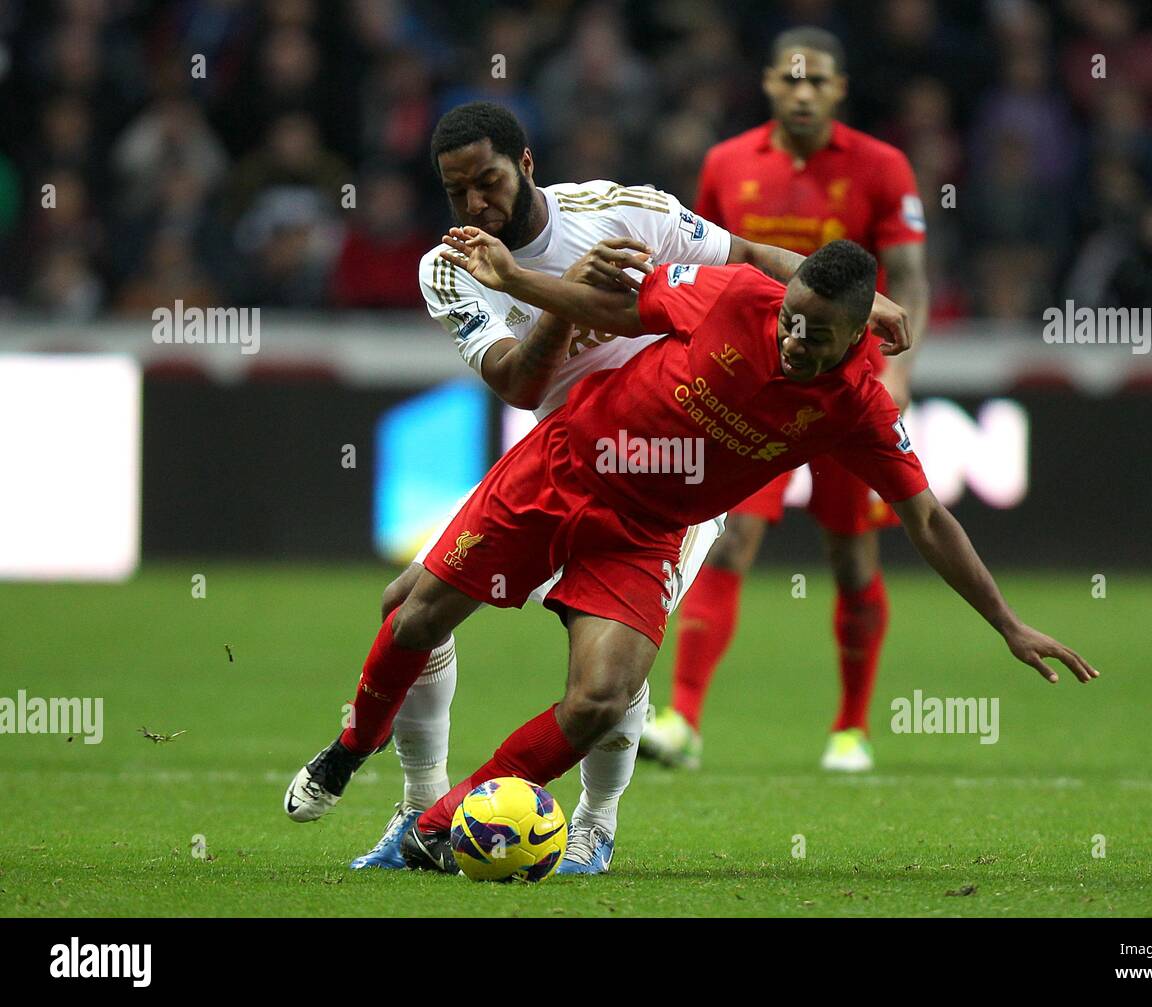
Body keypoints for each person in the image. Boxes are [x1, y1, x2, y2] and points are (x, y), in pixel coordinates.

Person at [287, 223, 1098, 875]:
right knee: (413, 614)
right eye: (791, 319)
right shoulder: (738, 294)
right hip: (566, 464)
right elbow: (612, 307)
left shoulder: (857, 406)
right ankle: (348, 751)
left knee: (601, 698)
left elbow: (928, 520)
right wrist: (515, 282)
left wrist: (1006, 621)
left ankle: (439, 826)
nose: (793, 340)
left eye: (817, 336)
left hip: (646, 532)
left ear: (859, 338)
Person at [285, 101, 913, 875]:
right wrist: (549, 290)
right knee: (408, 607)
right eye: (458, 193)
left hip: (678, 472)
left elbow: (748, 253)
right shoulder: (447, 264)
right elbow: (518, 382)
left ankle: (593, 822)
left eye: (488, 181)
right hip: (567, 452)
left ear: (526, 164)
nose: (477, 204)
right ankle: (418, 805)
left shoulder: (626, 210)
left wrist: (864, 300)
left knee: (608, 679)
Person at [642, 26, 932, 773]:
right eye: (789, 80)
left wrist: (899, 373)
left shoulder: (882, 166)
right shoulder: (725, 163)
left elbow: (911, 274)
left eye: (818, 81)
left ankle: (851, 727)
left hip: (845, 389)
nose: (802, 93)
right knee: (731, 537)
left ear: (838, 89)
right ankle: (682, 719)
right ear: (768, 83)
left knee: (850, 553)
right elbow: (702, 259)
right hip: (755, 381)